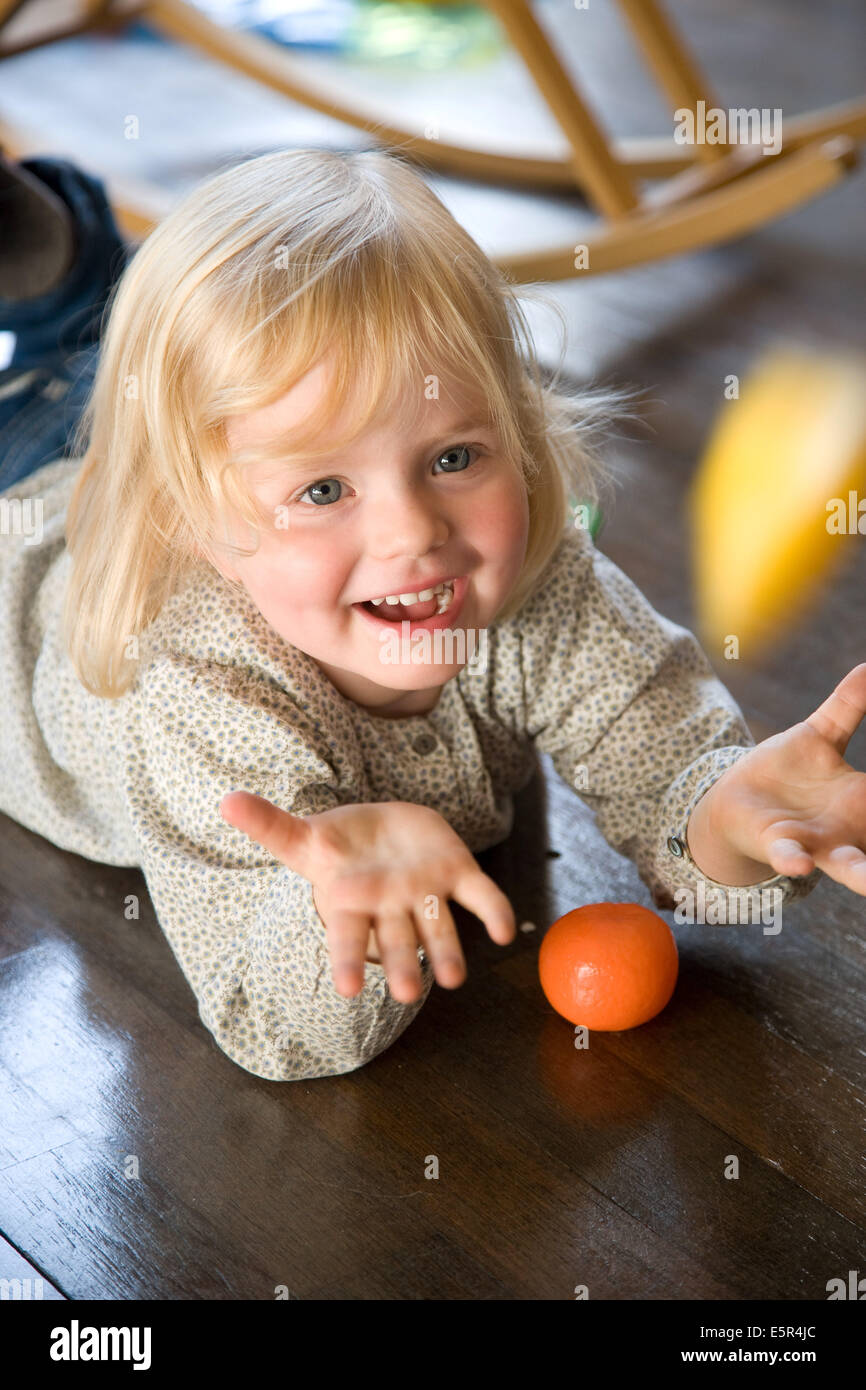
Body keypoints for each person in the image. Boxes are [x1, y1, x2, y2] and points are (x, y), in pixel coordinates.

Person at [1, 147, 862, 1086]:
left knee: (97, 376)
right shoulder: (204, 696)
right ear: (190, 526)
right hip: (20, 547)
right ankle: (63, 269)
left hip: (165, 462)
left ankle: (60, 272)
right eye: (325, 487)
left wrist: (725, 822)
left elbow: (668, 767)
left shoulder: (540, 583)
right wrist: (338, 912)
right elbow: (272, 1022)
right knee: (70, 398)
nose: (415, 531)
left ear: (519, 435)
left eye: (455, 457)